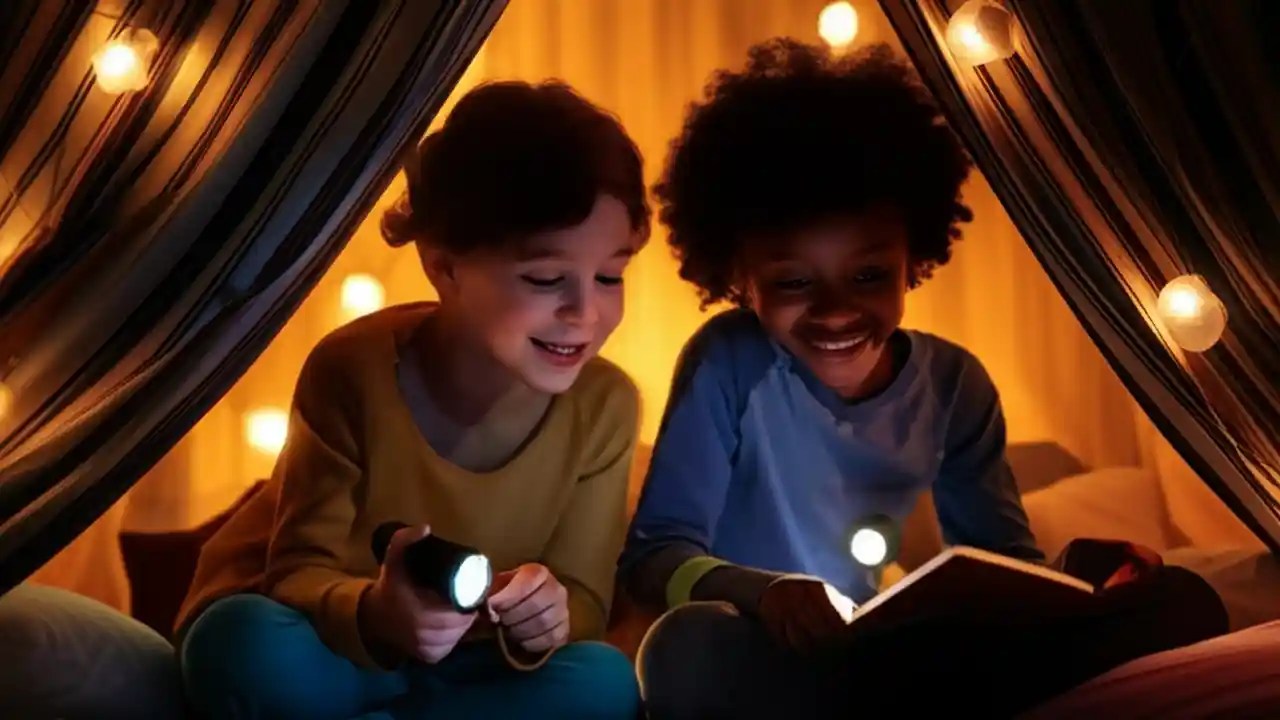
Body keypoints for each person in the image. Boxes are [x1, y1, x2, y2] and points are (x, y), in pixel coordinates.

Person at [618, 38, 1227, 719]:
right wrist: (764, 593)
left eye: (870, 275)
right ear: (738, 279)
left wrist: (1076, 574)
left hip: (887, 650)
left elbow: (1000, 569)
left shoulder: (955, 384)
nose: (837, 310)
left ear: (914, 262)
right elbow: (653, 560)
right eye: (793, 282)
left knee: (1185, 598)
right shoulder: (726, 362)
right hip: (764, 647)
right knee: (685, 649)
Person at [177, 79, 649, 720]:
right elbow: (295, 570)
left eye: (610, 276)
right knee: (235, 641)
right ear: (445, 266)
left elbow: (587, 604)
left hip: (480, 671)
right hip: (342, 653)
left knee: (602, 682)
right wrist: (377, 614)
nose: (585, 312)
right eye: (545, 279)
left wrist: (545, 614)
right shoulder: (354, 369)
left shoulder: (607, 406)